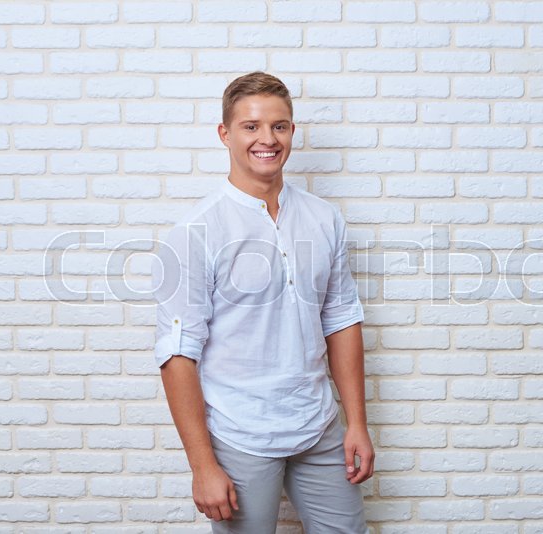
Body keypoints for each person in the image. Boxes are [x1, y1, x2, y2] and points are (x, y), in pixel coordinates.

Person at [152, 71, 374, 534]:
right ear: (225, 134)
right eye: (251, 126)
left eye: (279, 125)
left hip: (319, 426)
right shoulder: (195, 232)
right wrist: (202, 466)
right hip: (240, 433)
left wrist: (357, 423)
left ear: (292, 131)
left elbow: (341, 320)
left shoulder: (323, 217)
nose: (266, 139)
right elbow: (177, 355)